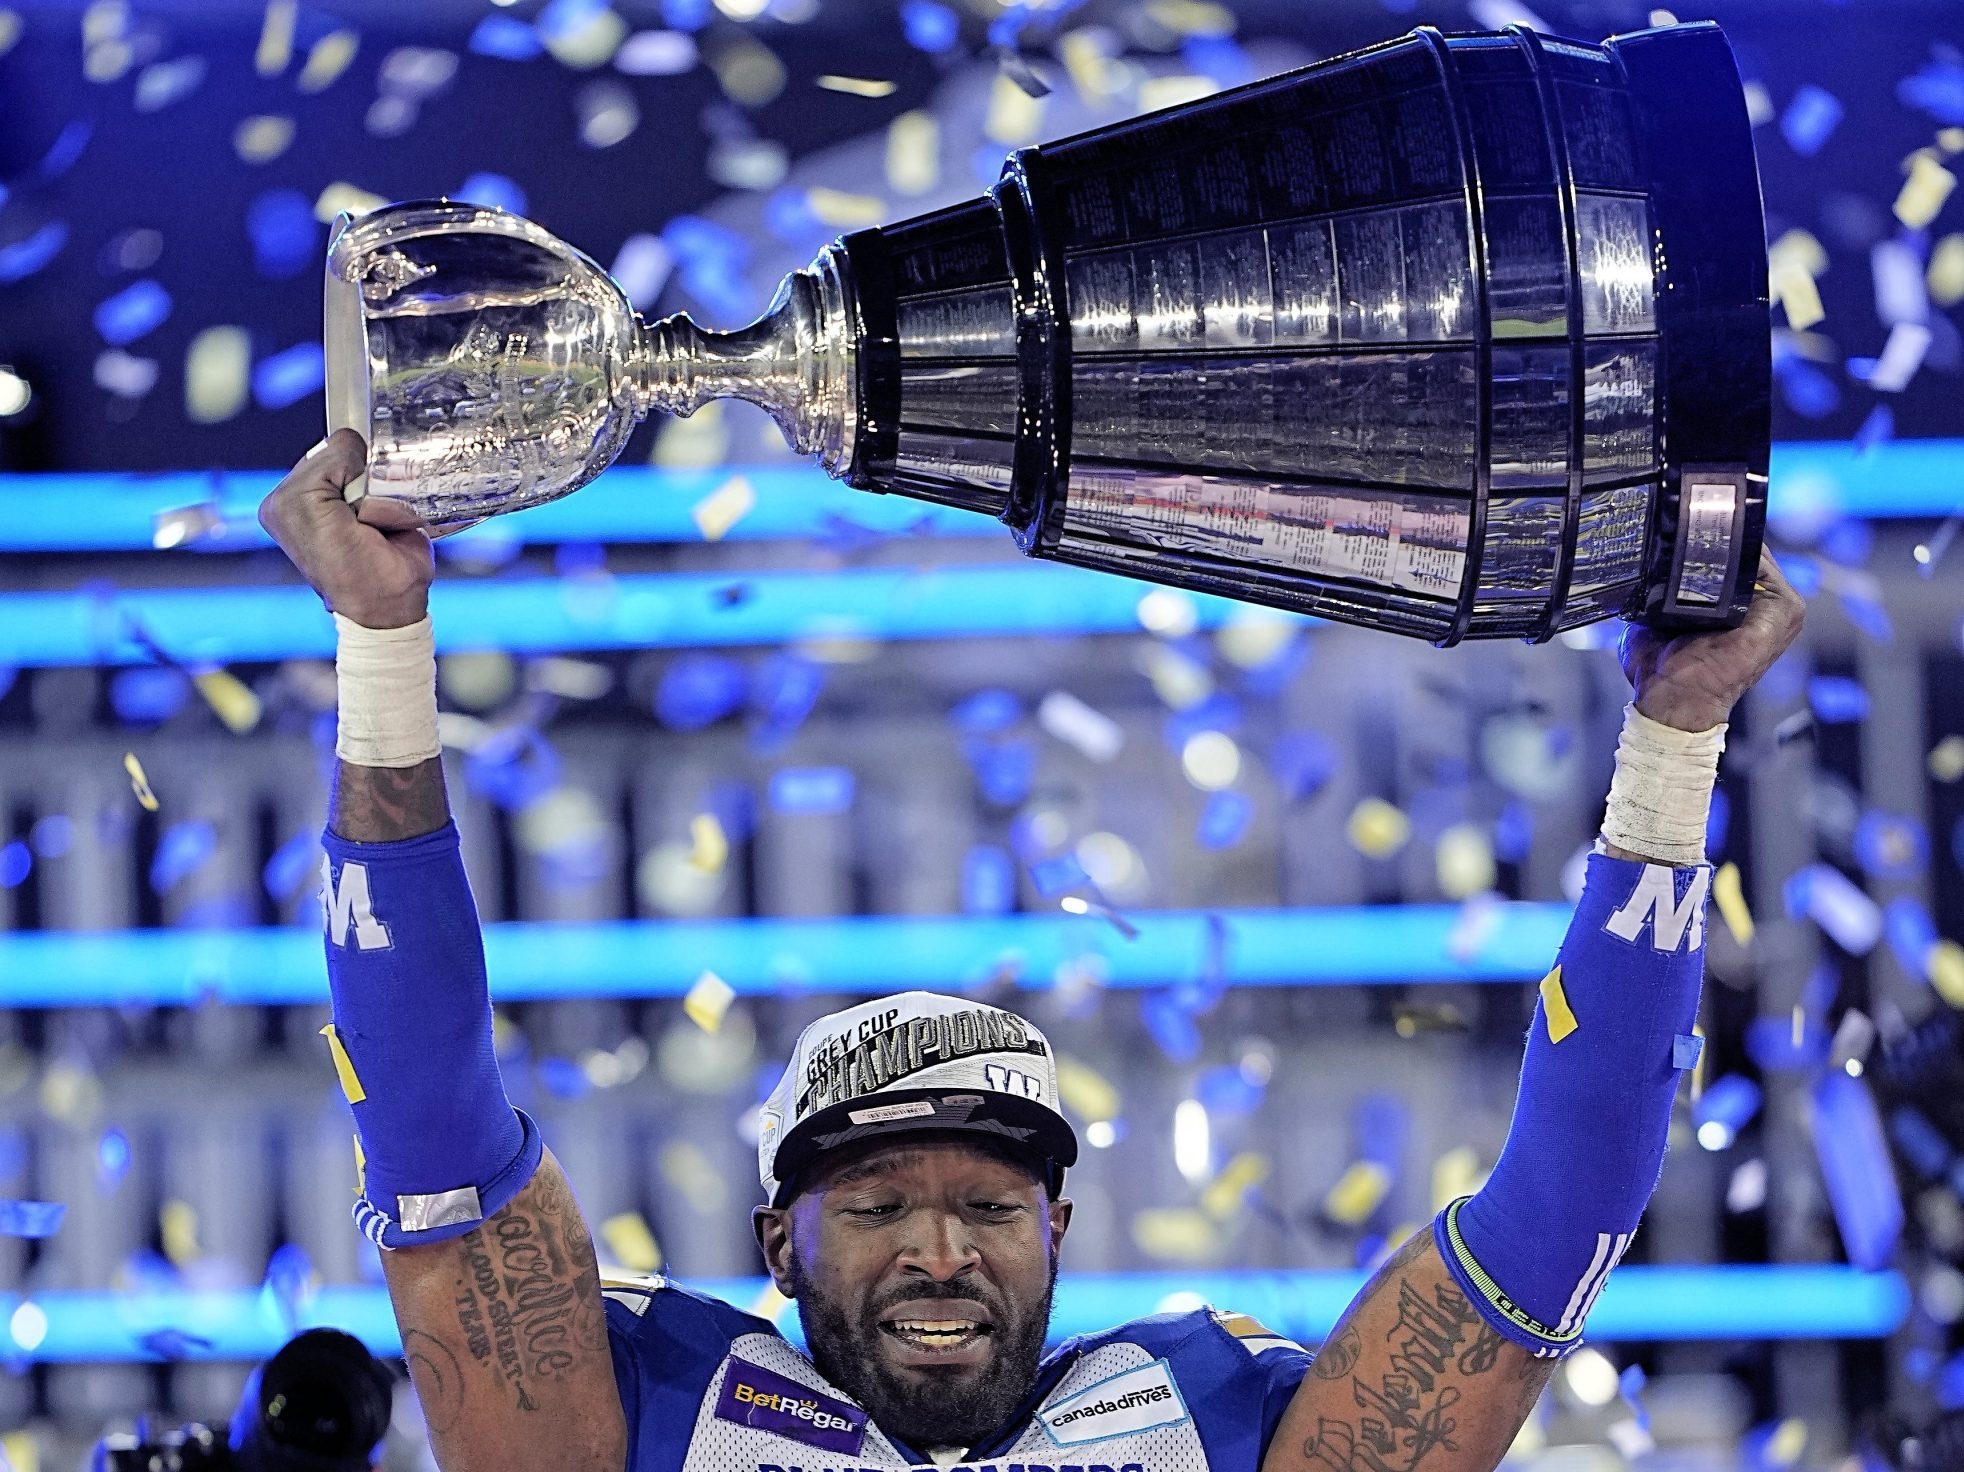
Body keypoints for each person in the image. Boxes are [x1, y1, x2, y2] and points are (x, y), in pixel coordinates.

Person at [260, 430, 1804, 1472]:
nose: (942, 1252)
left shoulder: (1208, 1422)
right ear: (776, 1245)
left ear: (1061, 1227)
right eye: (876, 1206)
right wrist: (385, 648)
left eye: (989, 1203)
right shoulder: (634, 1414)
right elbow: (428, 1122)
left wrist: (1675, 734)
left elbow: (1563, 1214)